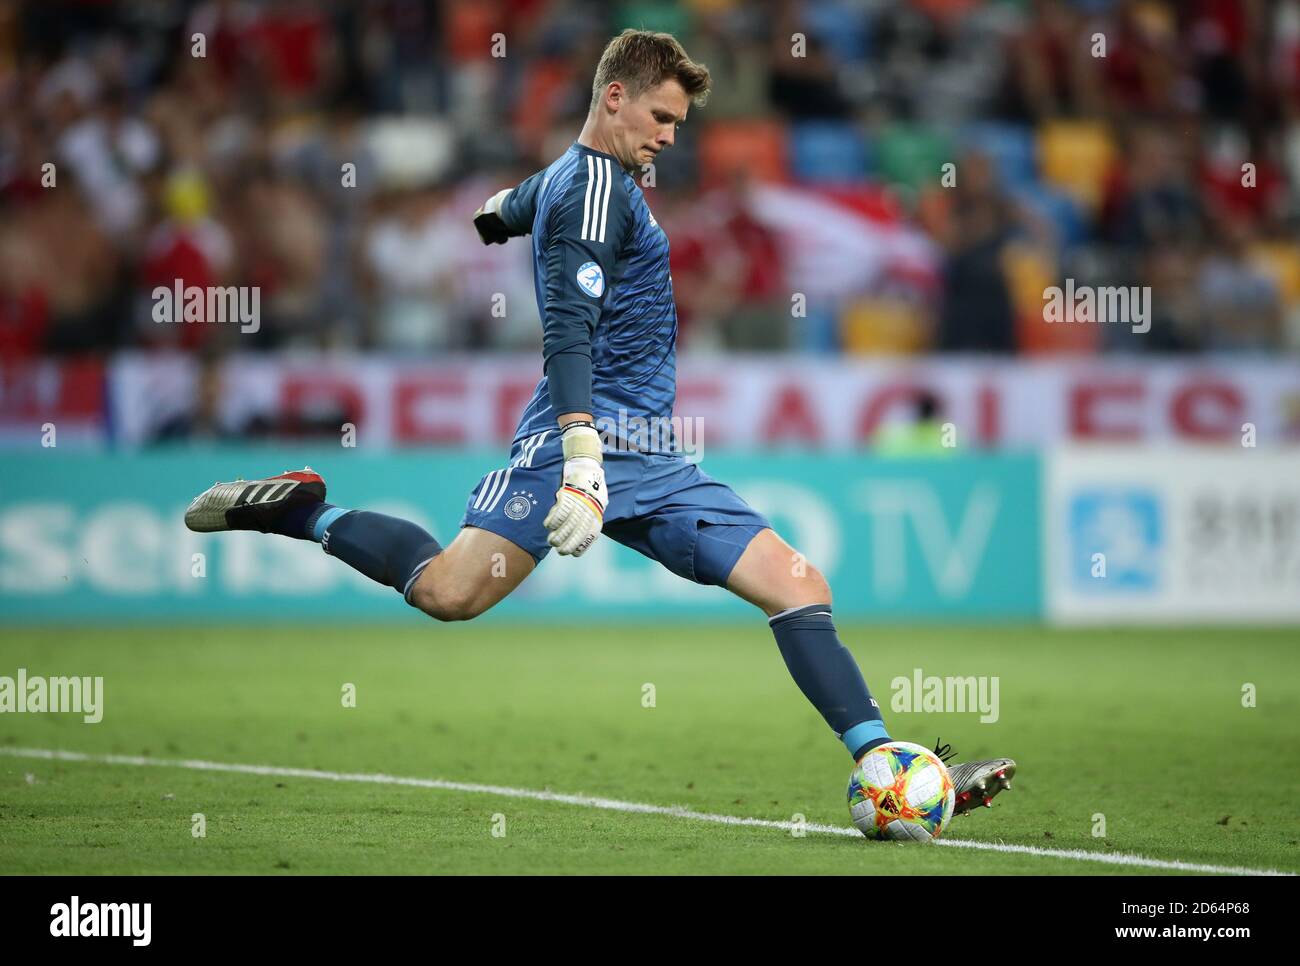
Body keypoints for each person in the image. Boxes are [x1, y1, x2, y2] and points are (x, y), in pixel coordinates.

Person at [184, 29, 1014, 819]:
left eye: (678, 126)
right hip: (576, 442)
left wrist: (501, 211)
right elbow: (568, 334)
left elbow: (509, 205)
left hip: (654, 454)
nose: (668, 138)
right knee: (448, 593)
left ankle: (883, 766)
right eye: (659, 118)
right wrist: (582, 458)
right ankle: (304, 511)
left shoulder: (570, 180)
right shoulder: (591, 191)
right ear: (614, 97)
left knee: (800, 588)